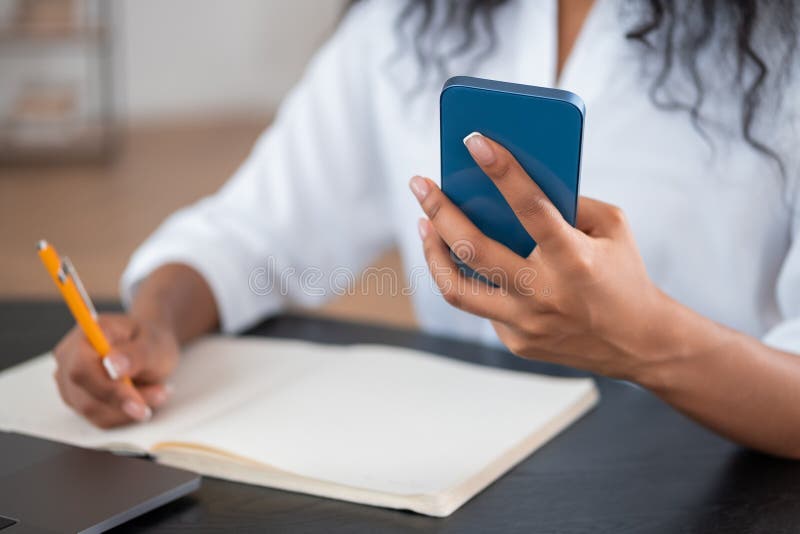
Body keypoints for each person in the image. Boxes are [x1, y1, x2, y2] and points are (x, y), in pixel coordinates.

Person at [52, 0, 800, 457]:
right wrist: (150, 326)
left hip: (719, 479)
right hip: (465, 471)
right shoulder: (405, 20)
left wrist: (649, 342)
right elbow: (249, 234)